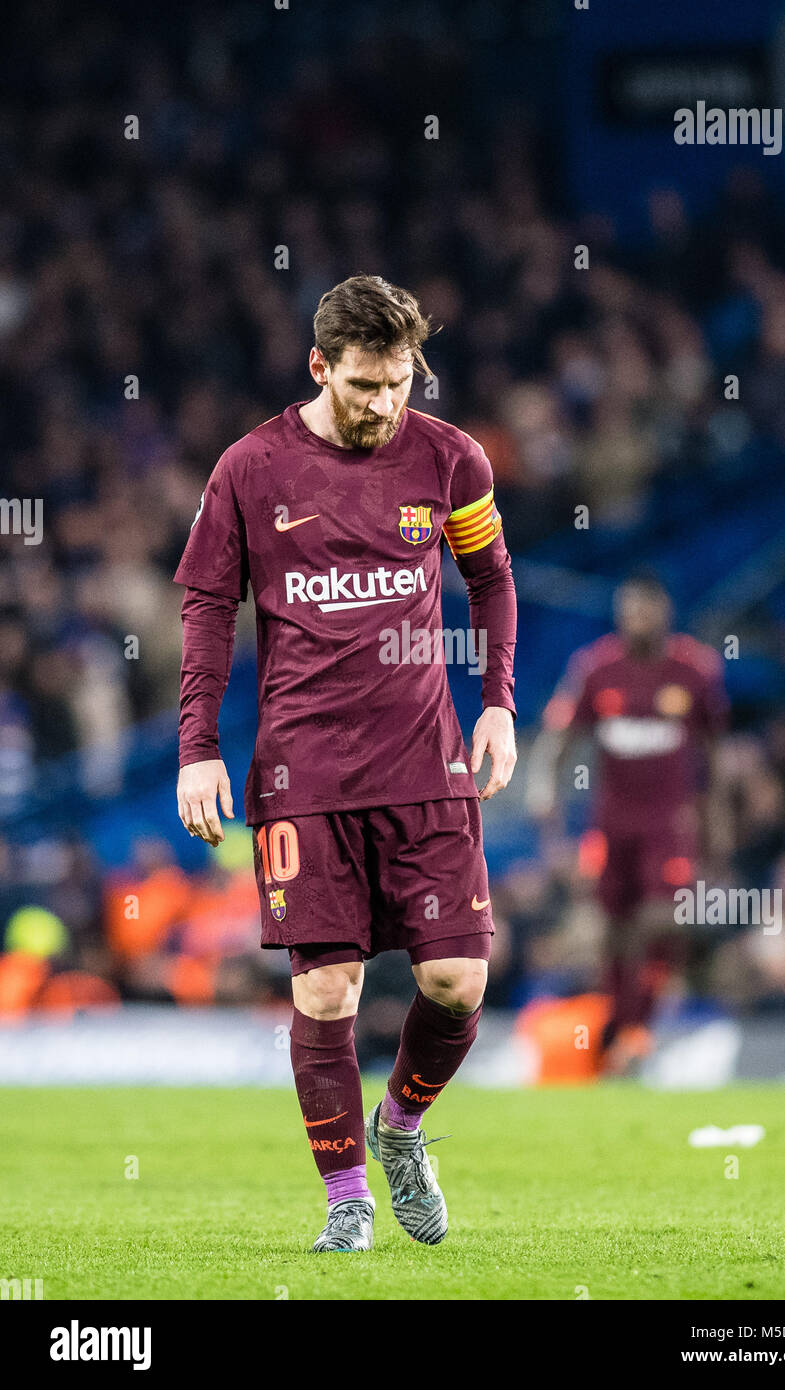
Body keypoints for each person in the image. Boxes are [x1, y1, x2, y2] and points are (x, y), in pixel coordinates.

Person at [174, 275, 517, 1251]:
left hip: (426, 764)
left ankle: (401, 1128)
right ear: (320, 366)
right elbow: (205, 608)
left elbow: (490, 579)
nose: (383, 404)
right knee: (327, 992)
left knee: (456, 982)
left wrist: (496, 703)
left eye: (400, 382)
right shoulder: (249, 468)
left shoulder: (450, 458)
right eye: (365, 384)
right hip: (302, 772)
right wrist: (197, 747)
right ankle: (346, 1200)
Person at [526, 574, 727, 1074]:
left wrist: (717, 819)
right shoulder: (596, 668)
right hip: (611, 821)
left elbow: (714, 752)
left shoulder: (694, 669)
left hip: (669, 821)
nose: (636, 618)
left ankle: (639, 1024)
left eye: (645, 608)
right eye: (628, 608)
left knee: (661, 914)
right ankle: (622, 1029)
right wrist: (544, 791)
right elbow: (559, 736)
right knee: (613, 928)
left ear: (664, 610)